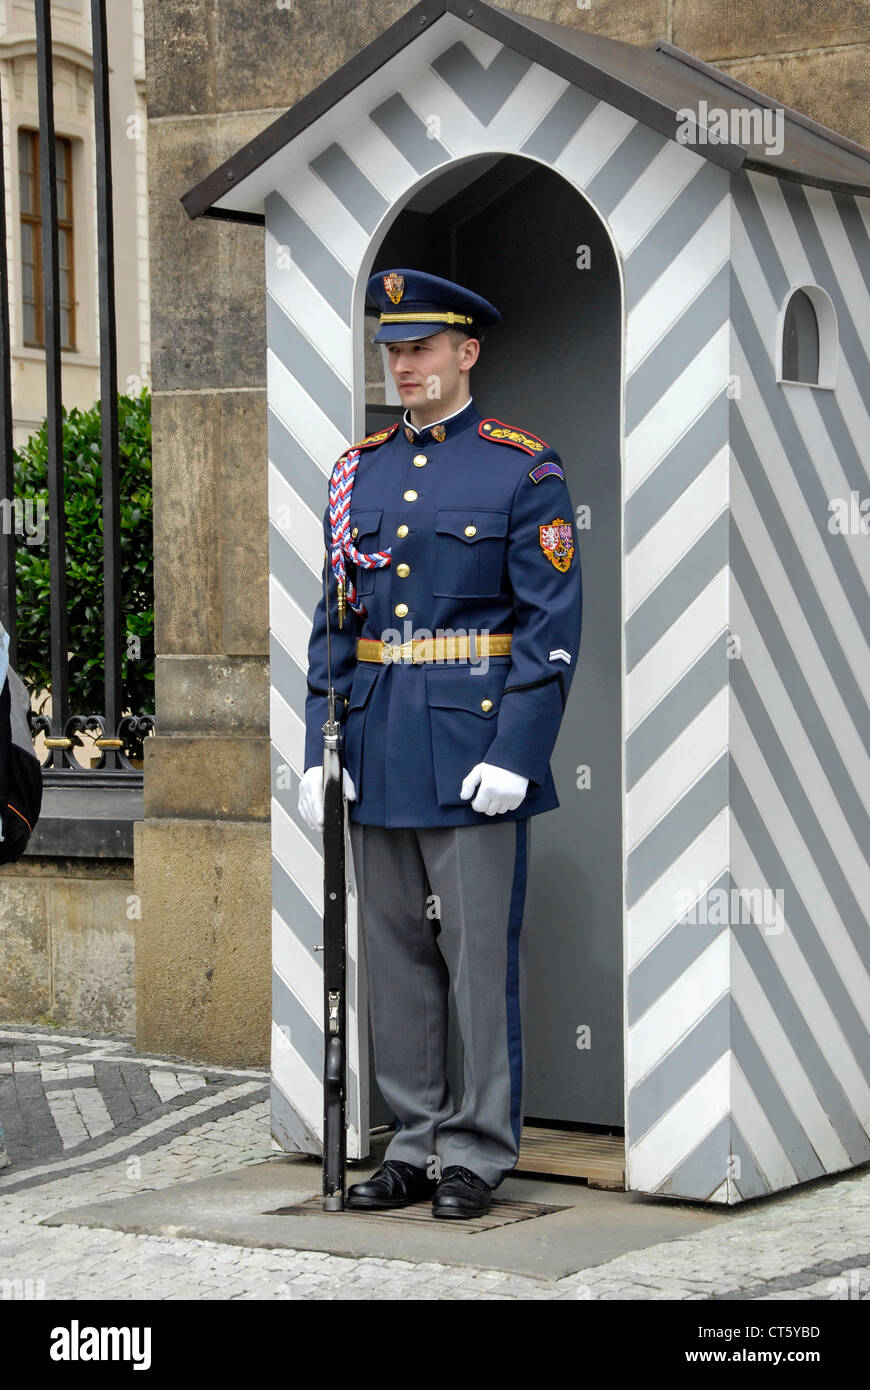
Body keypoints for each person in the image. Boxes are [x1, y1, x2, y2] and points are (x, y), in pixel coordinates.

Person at [298, 268, 582, 1218]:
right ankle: (413, 1141)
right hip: (378, 742)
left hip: (475, 752)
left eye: (422, 348)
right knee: (393, 956)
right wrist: (317, 748)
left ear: (467, 353)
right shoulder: (358, 470)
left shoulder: (521, 467)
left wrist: (520, 750)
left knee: (476, 959)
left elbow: (550, 629)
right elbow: (334, 625)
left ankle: (476, 1149)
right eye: (393, 349)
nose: (403, 365)